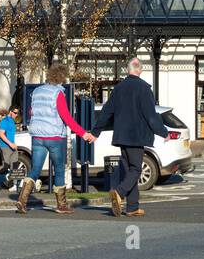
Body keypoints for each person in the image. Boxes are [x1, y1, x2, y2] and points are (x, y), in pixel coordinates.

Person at [91, 58, 179, 217]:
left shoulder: (118, 88)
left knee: (129, 169)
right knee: (136, 169)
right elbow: (151, 116)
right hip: (136, 136)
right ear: (140, 69)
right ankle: (119, 192)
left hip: (121, 136)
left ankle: (132, 207)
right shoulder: (144, 89)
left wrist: (95, 132)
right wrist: (163, 132)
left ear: (128, 69)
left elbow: (106, 112)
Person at [16, 64, 95, 215]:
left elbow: (32, 112)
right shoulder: (58, 93)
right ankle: (62, 205)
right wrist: (83, 133)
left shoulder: (37, 92)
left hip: (37, 136)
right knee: (59, 169)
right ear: (61, 78)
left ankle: (22, 199)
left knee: (35, 169)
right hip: (54, 136)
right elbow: (66, 117)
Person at [0, 105, 20, 187]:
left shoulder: (12, 121)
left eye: (17, 113)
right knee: (5, 166)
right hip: (5, 146)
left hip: (12, 146)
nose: (16, 115)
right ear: (10, 112)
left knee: (15, 165)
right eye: (15, 113)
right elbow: (1, 135)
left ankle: (14, 185)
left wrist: (13, 144)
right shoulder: (4, 121)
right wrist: (10, 144)